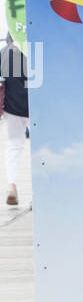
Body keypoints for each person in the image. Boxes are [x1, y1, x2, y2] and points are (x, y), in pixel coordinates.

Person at [0, 28, 29, 207]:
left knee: (13, 147)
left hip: (12, 108)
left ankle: (11, 187)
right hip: (36, 108)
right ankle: (38, 194)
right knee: (41, 150)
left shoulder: (3, 53)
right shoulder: (34, 50)